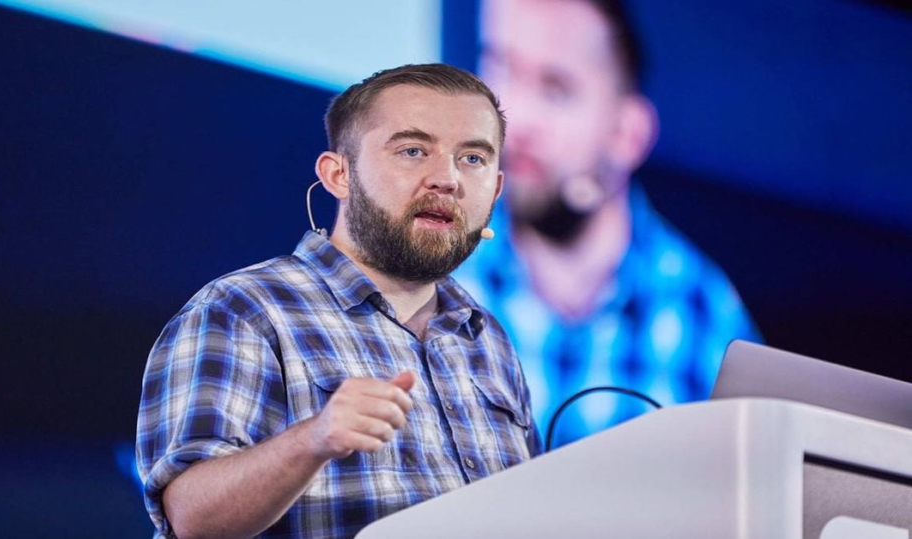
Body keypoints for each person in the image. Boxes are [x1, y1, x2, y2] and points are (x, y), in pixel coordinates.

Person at [136, 64, 540, 539]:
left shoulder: (487, 337)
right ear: (338, 175)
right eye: (413, 150)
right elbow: (192, 518)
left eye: (472, 158)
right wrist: (312, 439)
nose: (447, 179)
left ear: (495, 189)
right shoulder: (244, 310)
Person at [454, 0, 760, 448]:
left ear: (626, 135)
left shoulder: (707, 315)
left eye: (556, 89)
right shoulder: (422, 274)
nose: (512, 118)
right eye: (500, 68)